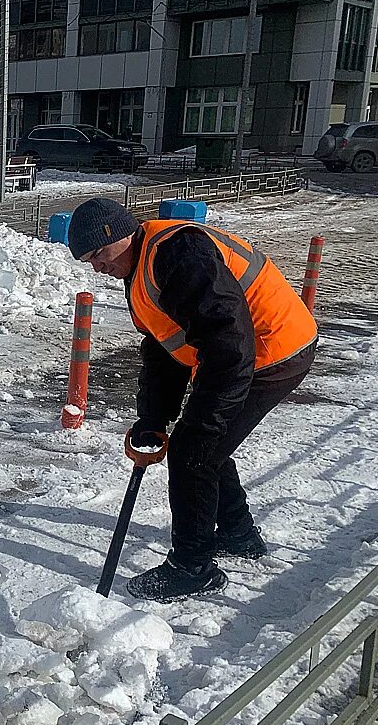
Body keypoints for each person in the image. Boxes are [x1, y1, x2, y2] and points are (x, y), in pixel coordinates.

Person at [67, 198, 318, 602]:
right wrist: (153, 417)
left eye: (98, 254)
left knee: (195, 449)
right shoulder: (142, 265)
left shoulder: (179, 253)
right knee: (205, 445)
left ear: (120, 234)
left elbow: (228, 341)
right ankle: (238, 535)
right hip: (239, 352)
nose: (97, 267)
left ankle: (193, 567)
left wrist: (202, 423)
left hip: (272, 351)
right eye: (88, 262)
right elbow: (164, 344)